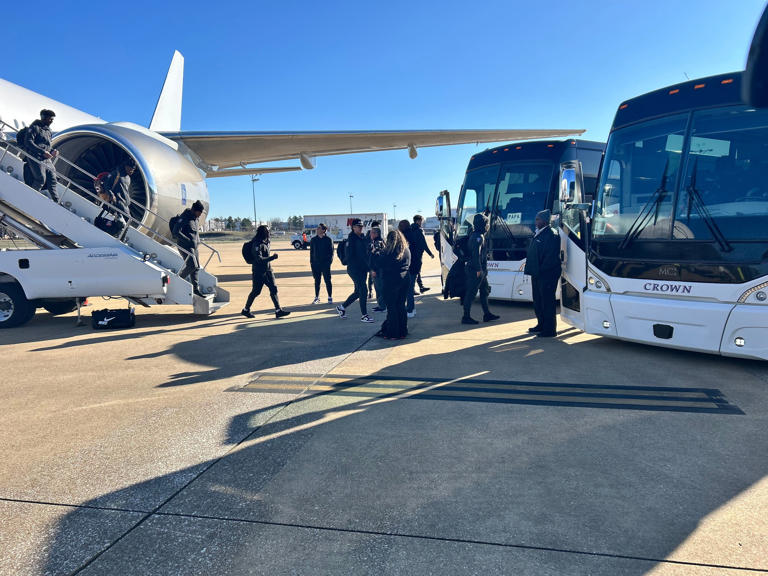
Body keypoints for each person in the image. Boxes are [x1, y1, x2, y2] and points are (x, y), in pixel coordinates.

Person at [524, 209, 561, 337]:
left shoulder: (551, 235)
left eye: (538, 219)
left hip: (546, 275)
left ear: (544, 221)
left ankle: (549, 330)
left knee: (547, 302)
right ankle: (541, 324)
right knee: (538, 301)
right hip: (537, 274)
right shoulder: (539, 233)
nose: (536, 222)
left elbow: (550, 258)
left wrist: (541, 271)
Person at [242, 225, 290, 319]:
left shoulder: (266, 241)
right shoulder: (257, 244)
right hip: (259, 272)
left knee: (273, 289)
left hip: (268, 270)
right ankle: (246, 310)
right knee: (256, 291)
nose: (269, 232)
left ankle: (278, 310)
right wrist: (272, 257)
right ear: (262, 233)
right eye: (267, 231)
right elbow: (259, 259)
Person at [462, 212, 500, 325]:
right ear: (483, 224)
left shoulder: (477, 234)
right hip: (476, 270)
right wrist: (479, 270)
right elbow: (476, 255)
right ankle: (466, 317)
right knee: (471, 293)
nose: (488, 225)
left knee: (484, 291)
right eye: (486, 223)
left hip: (480, 269)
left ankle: (487, 314)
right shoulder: (478, 237)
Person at [336, 218, 373, 322]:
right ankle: (364, 315)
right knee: (364, 291)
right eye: (358, 226)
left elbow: (366, 254)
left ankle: (341, 307)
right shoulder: (351, 240)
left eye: (361, 226)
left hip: (363, 269)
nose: (360, 228)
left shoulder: (362, 238)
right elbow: (350, 256)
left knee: (358, 292)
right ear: (353, 227)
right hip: (354, 270)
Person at [375, 229, 410, 339]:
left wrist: (376, 252)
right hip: (404, 279)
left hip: (391, 281)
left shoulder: (388, 251)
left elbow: (378, 264)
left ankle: (393, 333)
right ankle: (402, 331)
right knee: (400, 306)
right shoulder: (406, 250)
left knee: (391, 308)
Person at [24, 109, 59, 202]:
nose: (52, 121)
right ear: (44, 118)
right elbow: (28, 142)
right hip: (35, 156)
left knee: (53, 179)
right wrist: (42, 152)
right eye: (50, 119)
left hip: (46, 158)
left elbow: (47, 145)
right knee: (40, 179)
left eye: (52, 119)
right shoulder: (35, 127)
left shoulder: (48, 131)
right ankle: (29, 199)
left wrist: (52, 151)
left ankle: (57, 201)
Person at [174, 199, 205, 297]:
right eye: (199, 212)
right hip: (185, 246)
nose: (200, 215)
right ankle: (178, 282)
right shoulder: (185, 217)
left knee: (196, 268)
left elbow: (195, 233)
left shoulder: (195, 218)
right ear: (194, 210)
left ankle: (196, 289)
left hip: (194, 247)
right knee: (192, 265)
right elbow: (176, 231)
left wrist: (197, 242)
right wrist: (188, 241)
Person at [97, 159, 136, 236]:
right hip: (117, 200)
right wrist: (111, 195)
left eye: (134, 170)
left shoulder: (128, 178)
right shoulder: (116, 173)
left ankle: (116, 233)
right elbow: (106, 185)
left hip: (124, 202)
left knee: (124, 220)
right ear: (126, 167)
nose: (132, 171)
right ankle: (121, 237)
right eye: (131, 169)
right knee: (128, 219)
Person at [408, 215, 435, 303]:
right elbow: (423, 243)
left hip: (411, 254)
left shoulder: (409, 229)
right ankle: (414, 289)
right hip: (418, 254)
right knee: (416, 271)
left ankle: (421, 287)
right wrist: (430, 253)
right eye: (421, 221)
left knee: (415, 271)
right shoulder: (419, 230)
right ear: (418, 221)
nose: (422, 222)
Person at [310, 223, 333, 304]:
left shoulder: (328, 240)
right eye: (317, 228)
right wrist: (312, 264)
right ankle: (317, 297)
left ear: (323, 230)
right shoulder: (313, 240)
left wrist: (328, 263)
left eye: (319, 228)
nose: (317, 229)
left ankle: (330, 297)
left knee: (328, 281)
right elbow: (311, 253)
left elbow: (331, 253)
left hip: (325, 265)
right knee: (317, 281)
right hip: (316, 265)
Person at [368, 226, 386, 312]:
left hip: (378, 271)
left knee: (379, 288)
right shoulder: (379, 241)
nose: (370, 234)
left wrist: (374, 269)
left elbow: (376, 258)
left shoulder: (377, 243)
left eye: (372, 232)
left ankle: (382, 306)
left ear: (376, 234)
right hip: (379, 270)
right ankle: (381, 305)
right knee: (379, 288)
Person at [366, 220, 381, 298]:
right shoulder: (369, 236)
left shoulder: (379, 238)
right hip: (371, 260)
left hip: (375, 262)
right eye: (378, 226)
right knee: (371, 277)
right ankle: (370, 291)